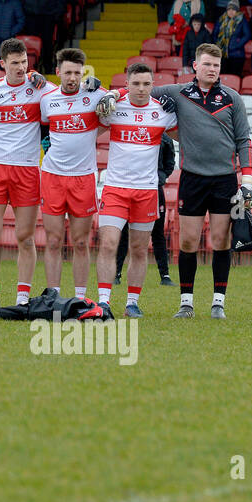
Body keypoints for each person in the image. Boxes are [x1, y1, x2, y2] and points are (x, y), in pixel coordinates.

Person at [143, 43, 251, 319]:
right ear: (195, 66)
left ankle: (218, 303)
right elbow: (139, 90)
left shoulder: (232, 98)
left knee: (220, 240)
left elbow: (243, 140)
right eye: (207, 64)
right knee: (188, 242)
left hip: (225, 180)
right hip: (191, 179)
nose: (212, 69)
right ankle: (186, 303)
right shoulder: (178, 93)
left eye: (216, 65)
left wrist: (247, 179)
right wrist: (157, 105)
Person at [94, 63, 178, 317]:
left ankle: (132, 303)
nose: (141, 89)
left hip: (146, 192)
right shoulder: (113, 108)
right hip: (115, 189)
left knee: (140, 249)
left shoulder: (163, 112)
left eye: (146, 84)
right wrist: (112, 94)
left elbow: (188, 134)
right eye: (136, 83)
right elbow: (91, 113)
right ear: (127, 84)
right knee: (108, 244)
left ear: (152, 85)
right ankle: (104, 302)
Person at [0, 39, 50, 305]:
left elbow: (69, 96)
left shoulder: (42, 89)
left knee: (25, 237)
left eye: (24, 62)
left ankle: (22, 298)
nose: (21, 67)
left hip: (27, 171)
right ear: (2, 64)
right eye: (15, 62)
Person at [37, 48, 106, 301]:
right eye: (67, 72)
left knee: (80, 242)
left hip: (84, 177)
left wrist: (108, 89)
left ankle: (79, 298)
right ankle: (53, 296)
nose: (73, 77)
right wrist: (49, 146)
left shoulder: (95, 95)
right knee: (53, 241)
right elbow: (44, 126)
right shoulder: (47, 99)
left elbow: (120, 98)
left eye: (77, 73)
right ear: (58, 73)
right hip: (53, 176)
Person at [114, 134, 176, 291]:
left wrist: (159, 178)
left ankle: (165, 275)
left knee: (158, 232)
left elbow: (169, 164)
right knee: (123, 232)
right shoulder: (133, 133)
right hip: (130, 186)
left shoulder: (165, 138)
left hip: (154, 189)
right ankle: (117, 273)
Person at [17, 0, 75, 73]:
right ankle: (30, 69)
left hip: (47, 16)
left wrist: (57, 13)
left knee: (47, 43)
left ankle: (48, 68)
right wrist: (22, 11)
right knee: (31, 44)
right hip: (30, 16)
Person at [214, 0, 249, 78]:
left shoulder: (242, 20)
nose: (231, 11)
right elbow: (215, 34)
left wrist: (237, 45)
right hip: (222, 54)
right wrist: (218, 45)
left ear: (237, 11)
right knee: (223, 77)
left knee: (234, 77)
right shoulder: (221, 19)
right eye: (229, 9)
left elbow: (247, 35)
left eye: (233, 9)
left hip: (237, 54)